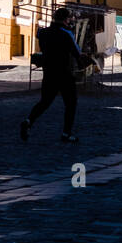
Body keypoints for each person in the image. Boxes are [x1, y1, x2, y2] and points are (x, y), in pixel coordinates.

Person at [20, 7, 82, 143]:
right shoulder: (66, 33)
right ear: (66, 20)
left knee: (44, 102)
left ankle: (28, 121)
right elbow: (77, 53)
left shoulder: (43, 33)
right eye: (69, 18)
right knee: (71, 103)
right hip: (64, 73)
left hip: (49, 72)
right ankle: (66, 133)